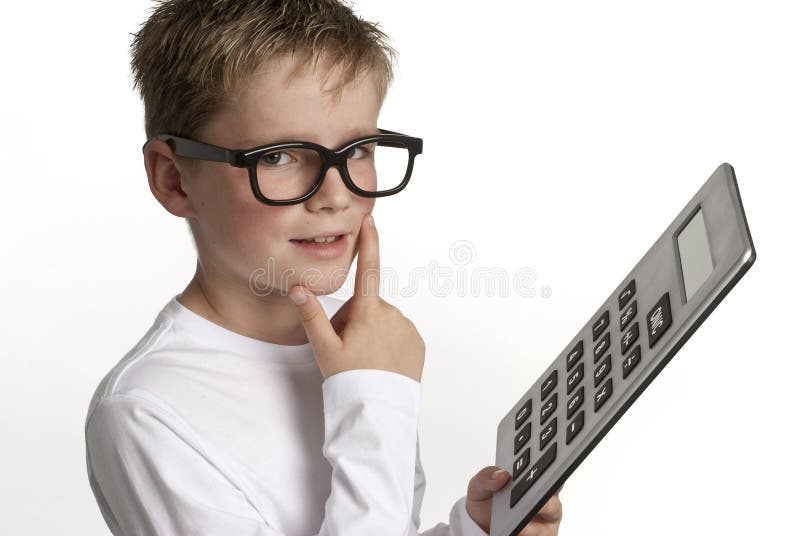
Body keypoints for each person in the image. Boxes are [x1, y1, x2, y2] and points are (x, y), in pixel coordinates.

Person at [84, 1, 563, 534]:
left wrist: (474, 532)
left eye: (357, 149)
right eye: (279, 156)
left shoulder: (357, 343)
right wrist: (374, 402)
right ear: (174, 179)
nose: (335, 196)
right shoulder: (146, 411)